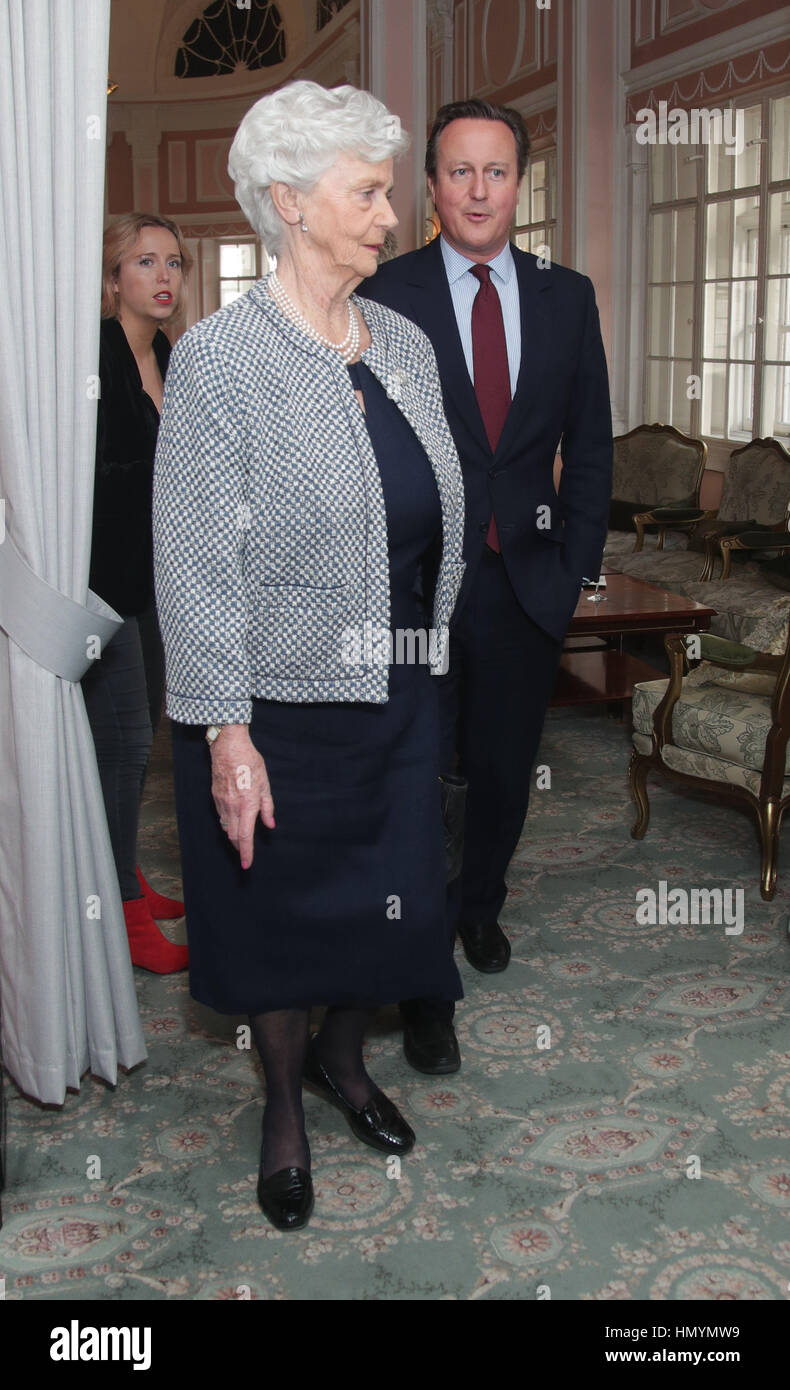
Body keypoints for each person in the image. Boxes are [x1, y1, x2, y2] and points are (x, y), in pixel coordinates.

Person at [152, 80, 466, 1232]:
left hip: (397, 689)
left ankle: (347, 1061)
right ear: (290, 202)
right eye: (372, 192)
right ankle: (283, 1103)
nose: (393, 214)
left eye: (389, 192)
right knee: (281, 922)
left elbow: (432, 510)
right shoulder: (220, 362)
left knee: (381, 907)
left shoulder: (410, 346)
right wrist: (225, 733)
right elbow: (191, 563)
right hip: (277, 709)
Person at [361, 98, 613, 1075]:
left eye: (495, 171)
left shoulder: (565, 295)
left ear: (519, 183)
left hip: (527, 582)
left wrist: (577, 558)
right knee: (418, 777)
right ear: (430, 186)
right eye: (457, 171)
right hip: (421, 586)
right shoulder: (387, 291)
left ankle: (479, 907)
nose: (476, 189)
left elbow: (587, 444)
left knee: (504, 771)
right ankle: (424, 976)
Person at [83, 214, 193, 974]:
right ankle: (119, 909)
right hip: (99, 587)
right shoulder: (92, 357)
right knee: (120, 750)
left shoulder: (175, 358)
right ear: (113, 279)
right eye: (144, 261)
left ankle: (126, 878)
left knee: (141, 741)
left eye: (174, 262)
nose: (164, 276)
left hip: (159, 583)